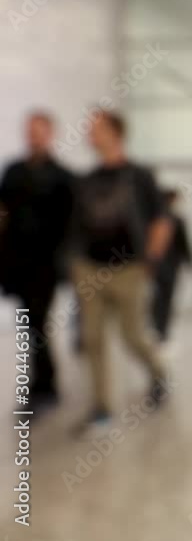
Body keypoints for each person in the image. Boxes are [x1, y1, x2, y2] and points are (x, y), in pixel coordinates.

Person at [72, 110, 173, 435]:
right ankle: (101, 406)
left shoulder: (139, 176)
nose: (90, 134)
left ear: (115, 133)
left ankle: (158, 374)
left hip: (129, 269)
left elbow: (161, 220)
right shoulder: (88, 180)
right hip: (91, 269)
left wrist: (151, 260)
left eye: (97, 128)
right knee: (92, 338)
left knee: (131, 336)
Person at [0, 111, 75, 414]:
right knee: (28, 324)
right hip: (16, 263)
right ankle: (41, 382)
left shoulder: (62, 176)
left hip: (46, 265)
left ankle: (45, 384)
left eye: (39, 131)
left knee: (38, 323)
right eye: (30, 131)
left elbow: (70, 224)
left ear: (50, 134)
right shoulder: (13, 171)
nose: (34, 136)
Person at [151, 189, 192, 342]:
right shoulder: (157, 219)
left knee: (162, 297)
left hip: (168, 265)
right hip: (160, 265)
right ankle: (159, 326)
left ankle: (160, 327)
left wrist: (191, 262)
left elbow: (184, 244)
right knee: (162, 297)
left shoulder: (175, 220)